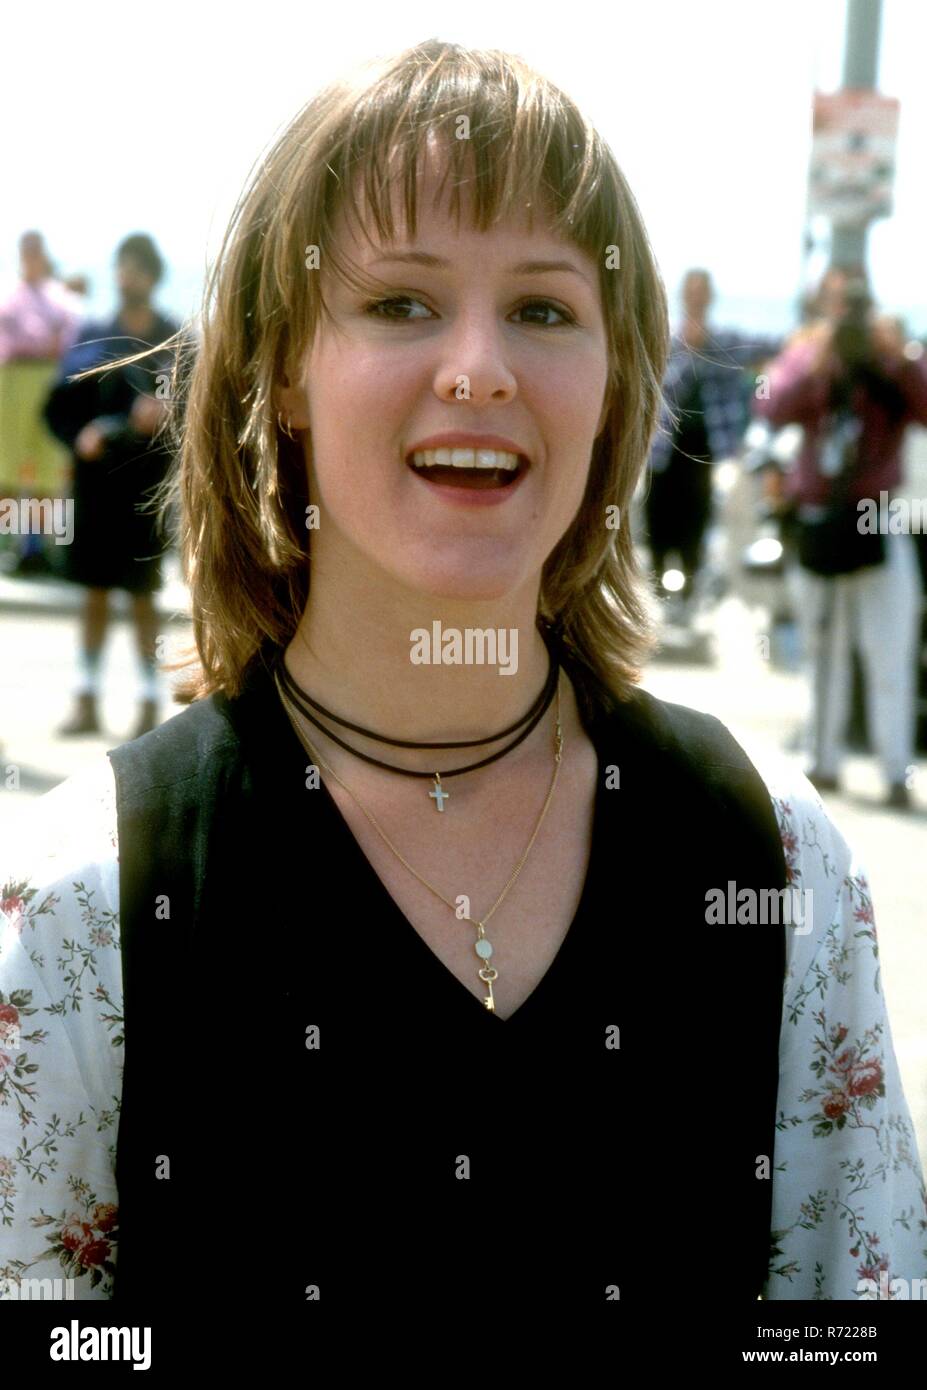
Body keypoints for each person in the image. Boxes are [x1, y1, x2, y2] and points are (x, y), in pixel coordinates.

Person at [0, 40, 924, 1319]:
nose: (479, 366)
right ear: (282, 370)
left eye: (545, 309)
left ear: (615, 387)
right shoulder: (82, 905)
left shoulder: (775, 862)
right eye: (401, 303)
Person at [753, 269, 927, 810]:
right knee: (822, 649)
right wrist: (816, 362)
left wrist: (894, 360)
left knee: (889, 648)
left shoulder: (891, 357)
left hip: (878, 518)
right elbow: (770, 403)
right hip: (823, 517)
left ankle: (896, 770)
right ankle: (822, 761)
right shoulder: (810, 355)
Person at [43, 234, 179, 741]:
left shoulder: (173, 340)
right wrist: (80, 434)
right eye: (124, 267)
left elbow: (191, 403)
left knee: (143, 598)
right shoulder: (94, 335)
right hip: (97, 489)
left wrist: (167, 412)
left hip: (146, 490)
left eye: (139, 269)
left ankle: (149, 703)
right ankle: (86, 699)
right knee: (94, 595)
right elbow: (58, 405)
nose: (129, 277)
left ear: (152, 276)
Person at [644, 269, 782, 615]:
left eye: (702, 293)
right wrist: (690, 352)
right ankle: (661, 589)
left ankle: (689, 593)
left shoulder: (724, 342)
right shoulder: (664, 341)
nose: (697, 299)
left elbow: (770, 346)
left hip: (705, 450)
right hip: (664, 449)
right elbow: (660, 386)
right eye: (692, 292)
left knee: (697, 519)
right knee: (658, 518)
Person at [0, 231, 81, 574]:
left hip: (49, 380)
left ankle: (43, 548)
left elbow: (70, 335)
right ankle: (7, 541)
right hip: (14, 381)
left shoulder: (60, 298)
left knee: (49, 469)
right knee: (7, 468)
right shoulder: (9, 295)